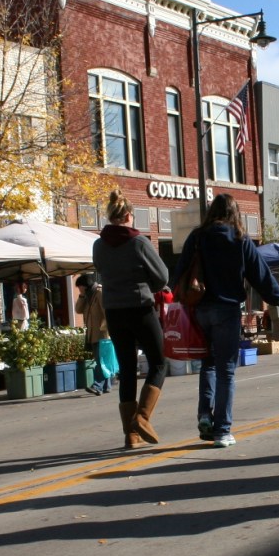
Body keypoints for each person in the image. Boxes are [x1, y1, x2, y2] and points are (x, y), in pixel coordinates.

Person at [173, 194, 279, 448]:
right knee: (226, 370)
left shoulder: (197, 237)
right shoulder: (240, 239)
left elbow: (180, 272)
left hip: (201, 310)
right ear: (235, 214)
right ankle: (222, 430)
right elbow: (261, 277)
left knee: (208, 365)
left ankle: (205, 414)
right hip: (227, 311)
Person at [93, 190, 170, 448]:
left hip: (114, 312)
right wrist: (146, 283)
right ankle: (142, 418)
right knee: (158, 362)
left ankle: (131, 435)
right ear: (128, 215)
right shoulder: (139, 242)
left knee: (126, 368)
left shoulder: (98, 245)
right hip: (140, 308)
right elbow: (162, 277)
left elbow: (101, 272)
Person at [75, 274, 111, 395]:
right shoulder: (87, 296)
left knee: (101, 361)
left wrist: (106, 331)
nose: (79, 289)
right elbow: (78, 310)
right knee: (101, 360)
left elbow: (107, 313)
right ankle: (107, 385)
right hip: (92, 334)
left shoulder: (99, 293)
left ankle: (97, 386)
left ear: (85, 286)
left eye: (79, 287)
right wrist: (81, 296)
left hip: (102, 334)